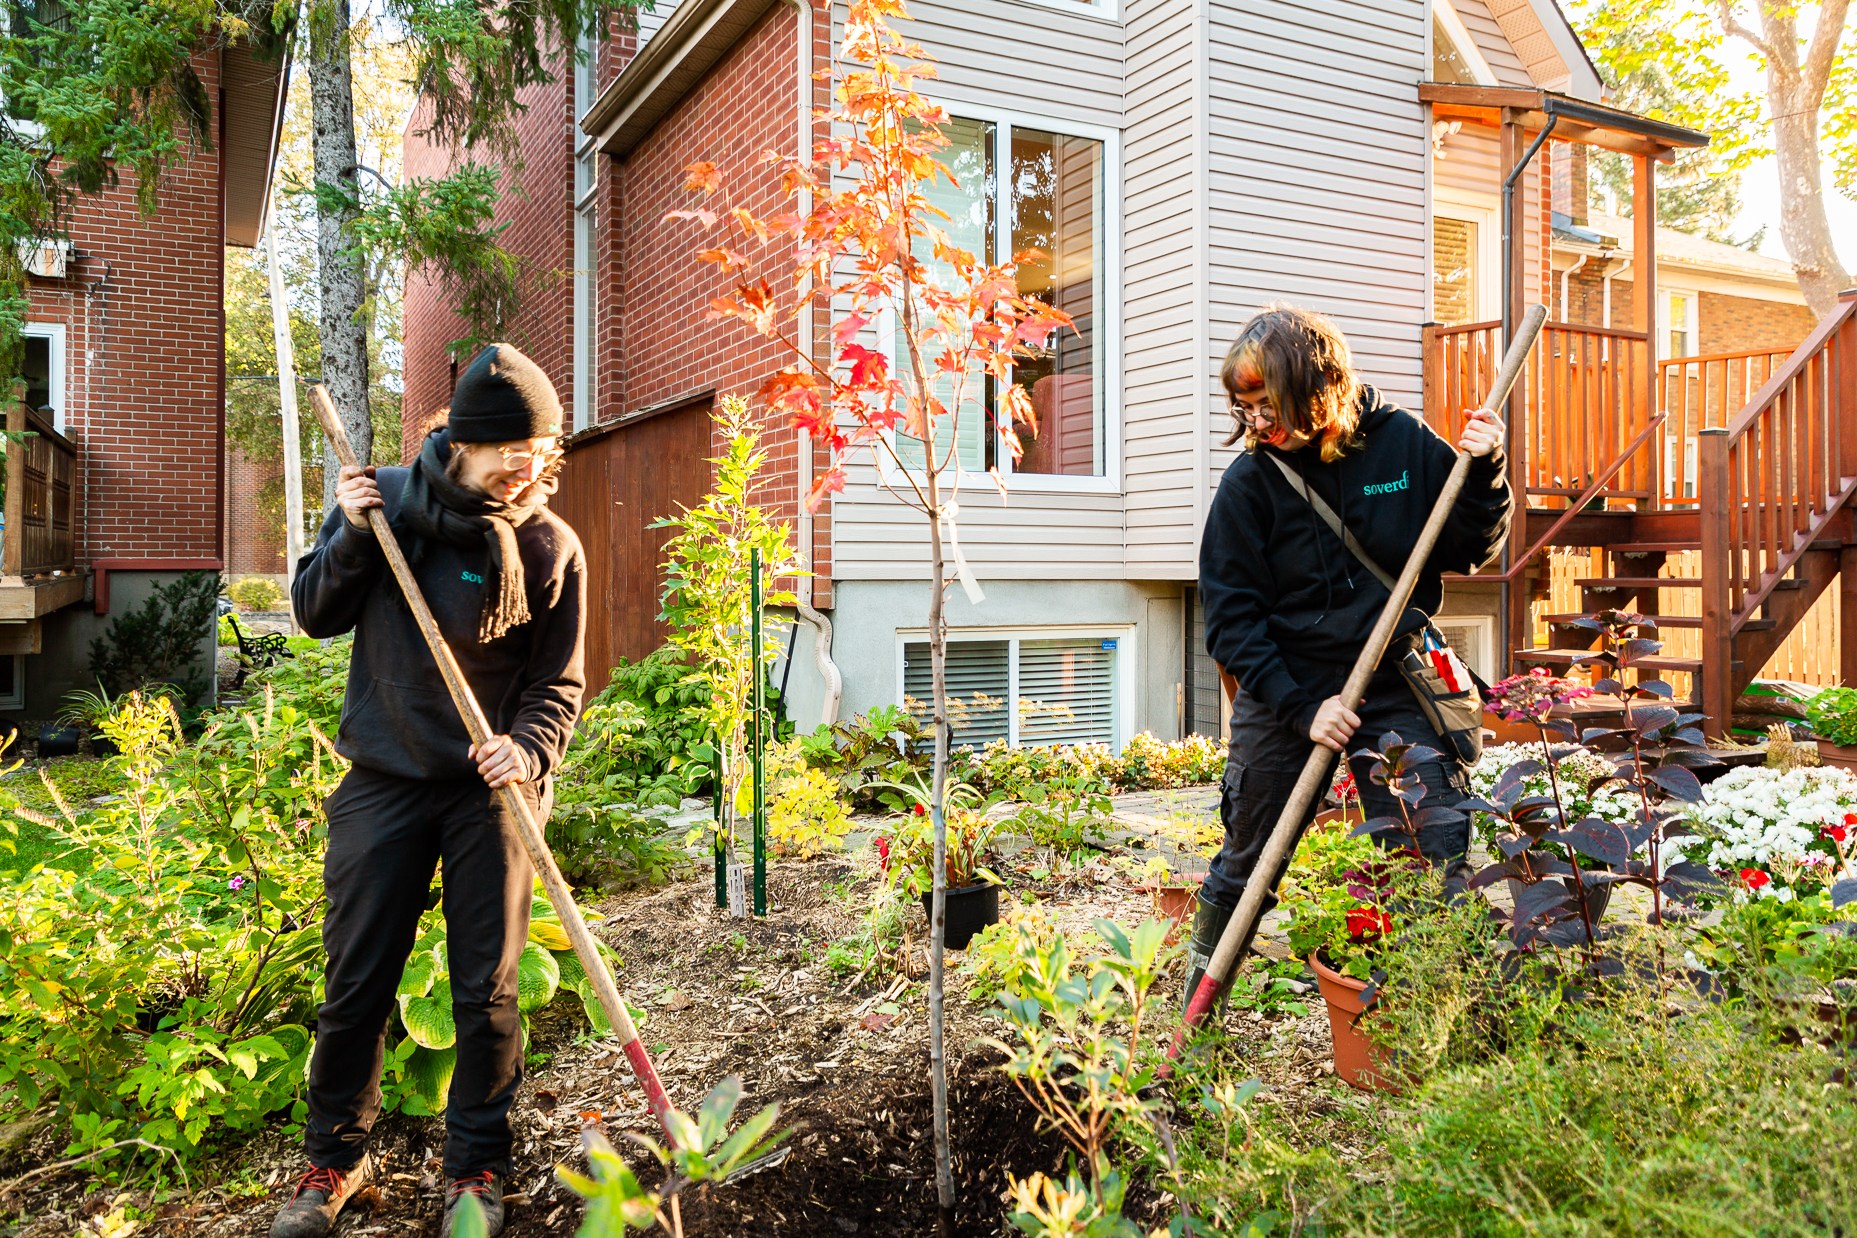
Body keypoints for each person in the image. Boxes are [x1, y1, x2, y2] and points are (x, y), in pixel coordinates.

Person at [270, 344, 586, 1238]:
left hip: (491, 793)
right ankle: (335, 1158)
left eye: (541, 446)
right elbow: (314, 614)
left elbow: (557, 684)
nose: (527, 464)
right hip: (384, 780)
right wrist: (348, 537)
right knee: (356, 979)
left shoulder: (547, 543)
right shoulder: (387, 507)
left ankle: (477, 1165)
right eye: (509, 448)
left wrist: (526, 750)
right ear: (459, 443)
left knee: (486, 989)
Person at [1185, 305, 1510, 1009]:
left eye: (1268, 406)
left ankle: (1430, 1021)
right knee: (1248, 857)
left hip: (1395, 674)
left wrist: (1483, 471)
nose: (1255, 425)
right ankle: (1194, 1018)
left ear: (1319, 389)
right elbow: (1232, 621)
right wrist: (1303, 709)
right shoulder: (1249, 484)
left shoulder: (1398, 446)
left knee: (1429, 850)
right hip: (1288, 687)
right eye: (1242, 409)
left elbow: (1467, 547)